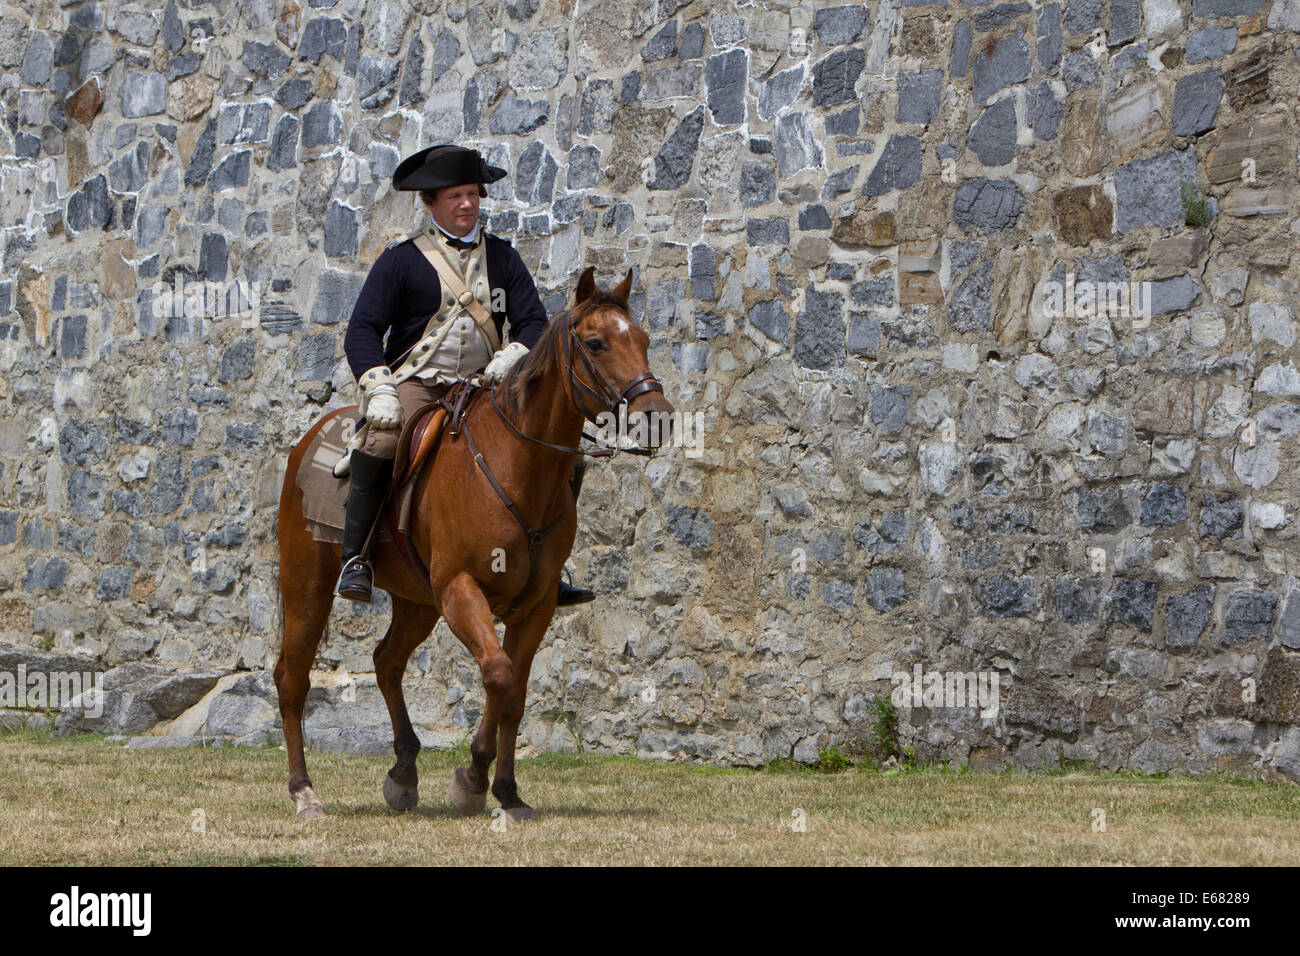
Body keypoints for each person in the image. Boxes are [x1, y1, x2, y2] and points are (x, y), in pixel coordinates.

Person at [335, 144, 595, 607]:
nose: (467, 204)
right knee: (381, 442)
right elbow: (363, 330)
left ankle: (549, 565)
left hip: (484, 387)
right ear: (431, 203)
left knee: (566, 453)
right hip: (419, 383)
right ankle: (358, 557)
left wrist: (512, 355)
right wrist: (380, 388)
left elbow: (533, 320)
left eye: (473, 194)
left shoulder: (504, 258)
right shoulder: (400, 261)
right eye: (455, 195)